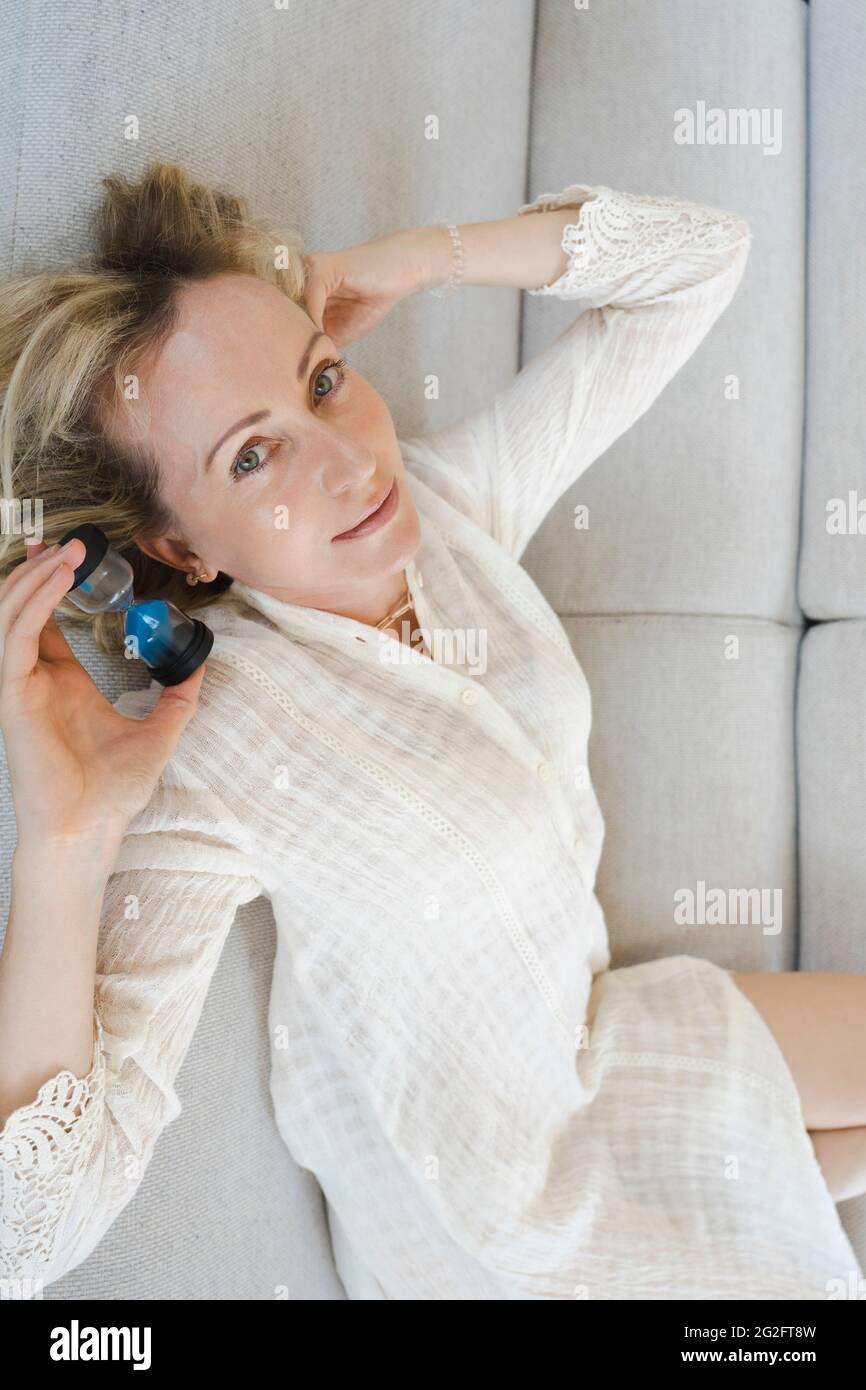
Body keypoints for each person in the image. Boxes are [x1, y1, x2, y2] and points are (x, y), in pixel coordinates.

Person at [0, 161, 863, 1300]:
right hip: (486, 1211)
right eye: (251, 455)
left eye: (321, 382)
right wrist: (62, 845)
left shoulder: (451, 508)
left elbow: (701, 261)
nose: (351, 460)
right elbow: (28, 1238)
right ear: (176, 547)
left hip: (607, 1033)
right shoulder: (212, 749)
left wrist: (418, 256)